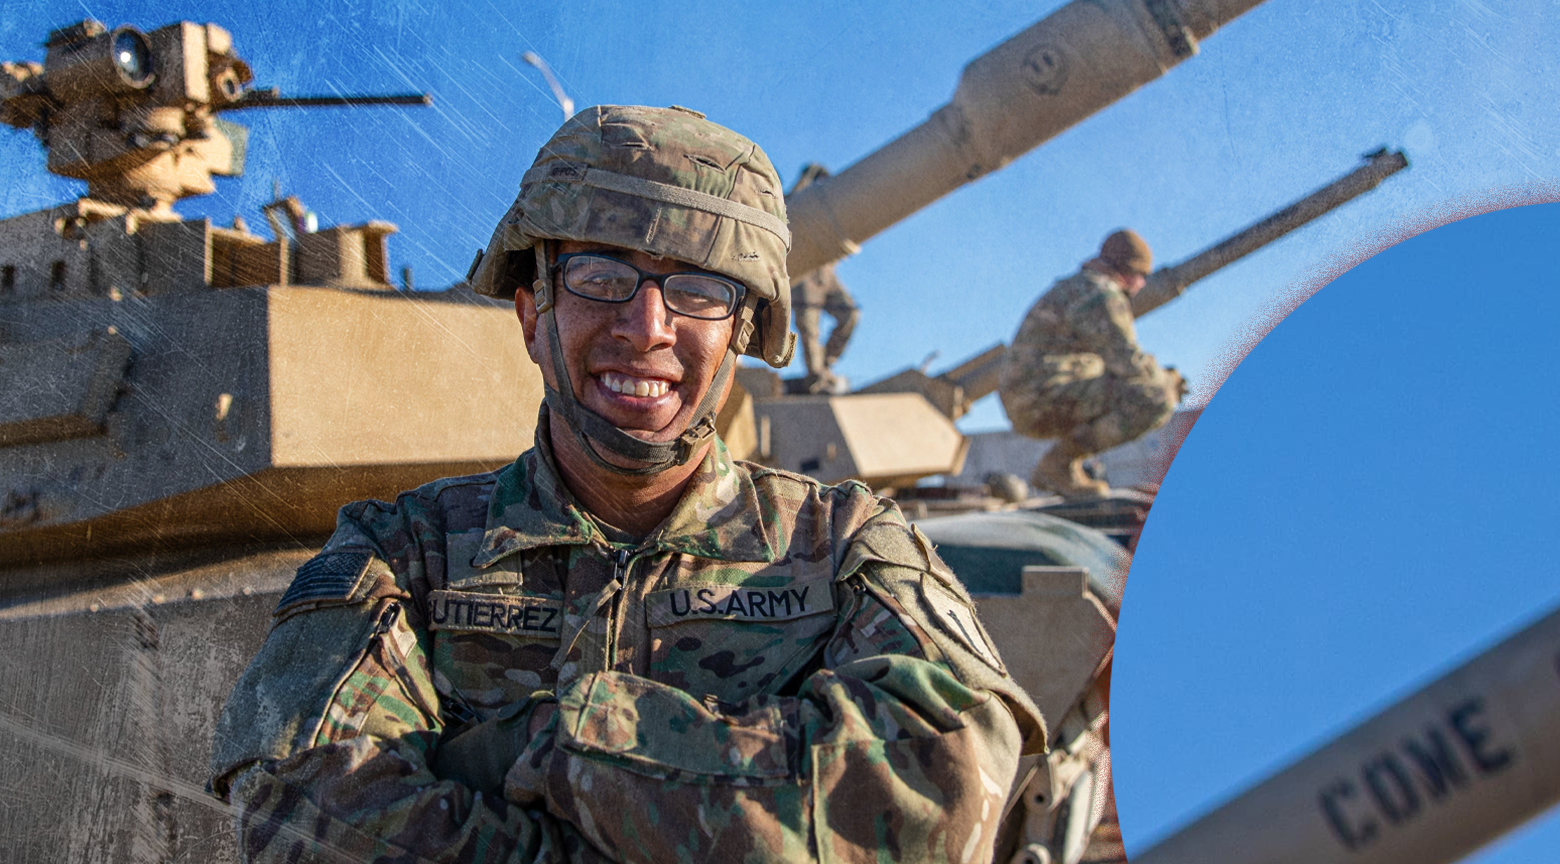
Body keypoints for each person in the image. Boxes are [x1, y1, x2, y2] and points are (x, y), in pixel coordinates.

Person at [209, 105, 1042, 863]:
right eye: (601, 277)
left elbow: (951, 780)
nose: (647, 327)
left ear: (741, 333)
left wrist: (553, 745)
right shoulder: (404, 553)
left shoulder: (844, 544)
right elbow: (306, 813)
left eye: (699, 290)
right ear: (533, 315)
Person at [999, 229, 1184, 500]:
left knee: (1145, 386)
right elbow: (1129, 363)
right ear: (1129, 271)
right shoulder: (1101, 294)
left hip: (1032, 397)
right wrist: (1170, 381)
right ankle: (1058, 465)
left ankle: (1063, 465)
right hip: (1040, 399)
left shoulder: (1078, 287)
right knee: (1158, 397)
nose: (1143, 284)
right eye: (1143, 276)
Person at [786, 163, 860, 394]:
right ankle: (816, 377)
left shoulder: (828, 203)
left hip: (826, 272)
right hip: (804, 272)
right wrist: (805, 177)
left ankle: (826, 365)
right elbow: (786, 208)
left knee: (850, 314)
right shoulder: (799, 200)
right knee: (809, 330)